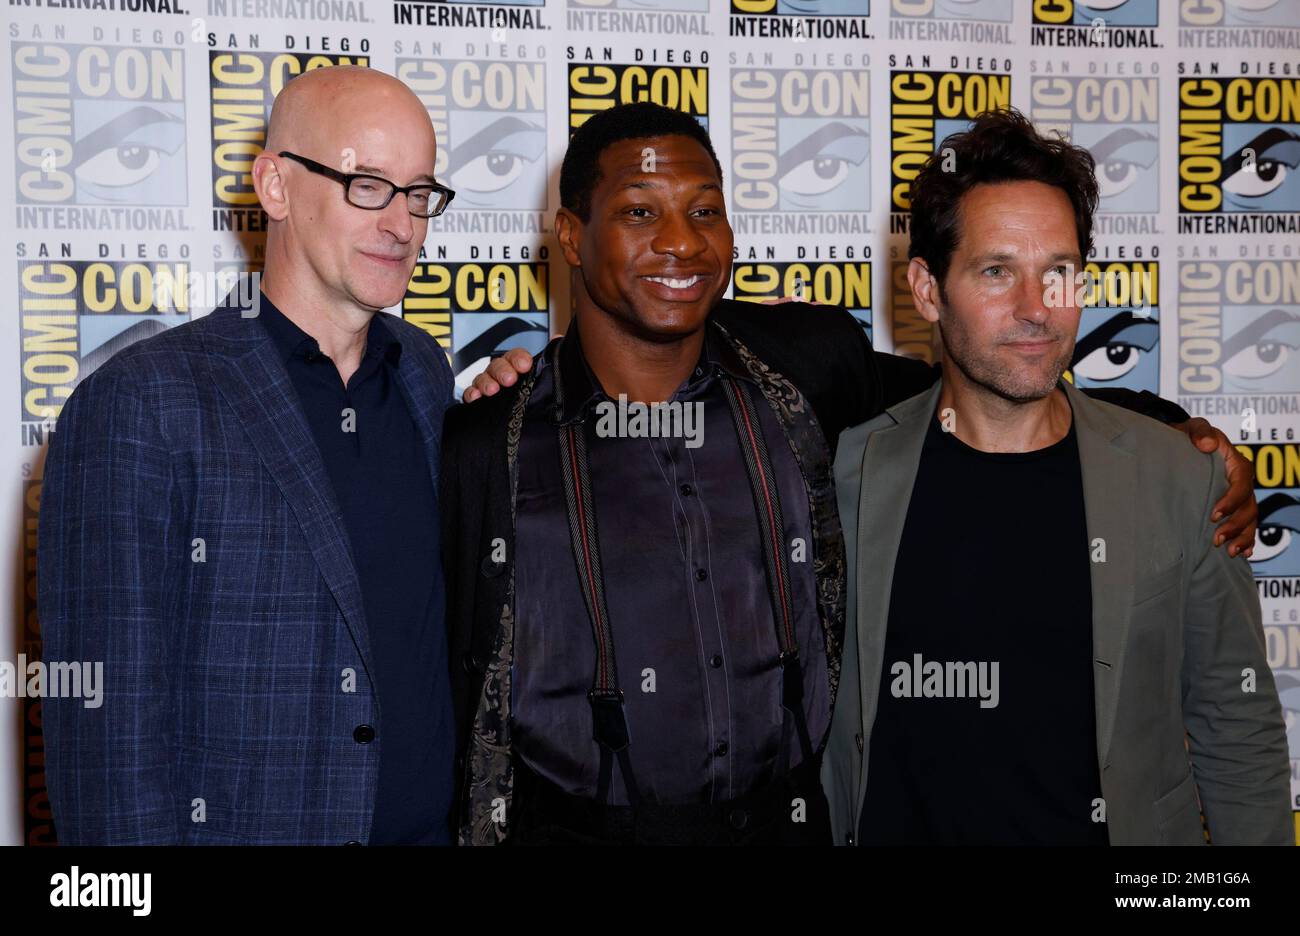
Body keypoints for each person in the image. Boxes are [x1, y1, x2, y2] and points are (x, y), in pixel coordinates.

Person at [443, 102, 1258, 845]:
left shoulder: (805, 371)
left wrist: (1176, 429)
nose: (681, 242)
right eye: (638, 213)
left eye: (704, 212)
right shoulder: (491, 443)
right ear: (573, 237)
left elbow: (989, 380)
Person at [824, 109, 1291, 846]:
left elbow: (1236, 727)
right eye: (996, 271)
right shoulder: (847, 476)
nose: (1037, 310)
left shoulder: (1178, 477)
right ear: (925, 288)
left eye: (1059, 273)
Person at [39, 66, 459, 844]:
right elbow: (106, 738)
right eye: (367, 184)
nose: (402, 224)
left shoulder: (427, 377)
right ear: (275, 185)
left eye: (419, 192)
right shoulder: (142, 402)